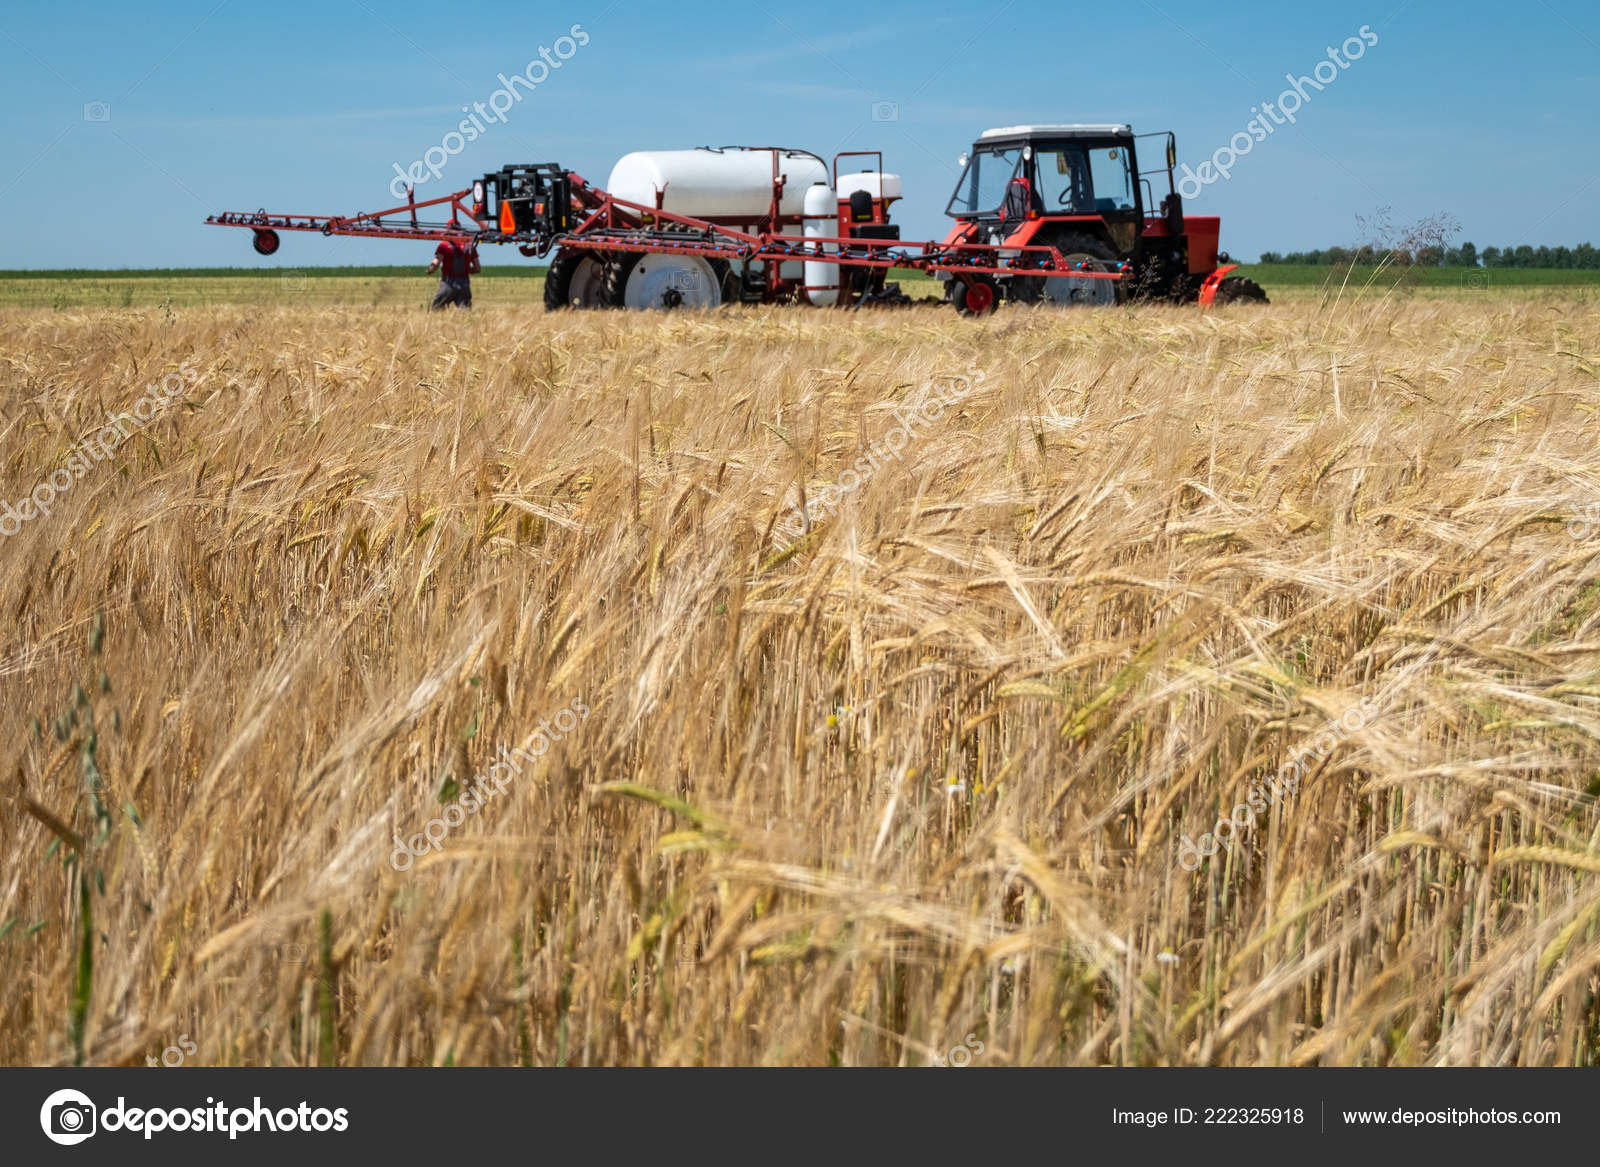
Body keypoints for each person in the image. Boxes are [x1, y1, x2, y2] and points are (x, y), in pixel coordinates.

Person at [428, 237, 479, 309]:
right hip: (464, 284)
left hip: (448, 283)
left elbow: (435, 264)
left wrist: (430, 270)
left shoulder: (444, 245)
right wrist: (466, 270)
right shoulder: (470, 246)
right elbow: (477, 268)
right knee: (465, 312)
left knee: (437, 308)